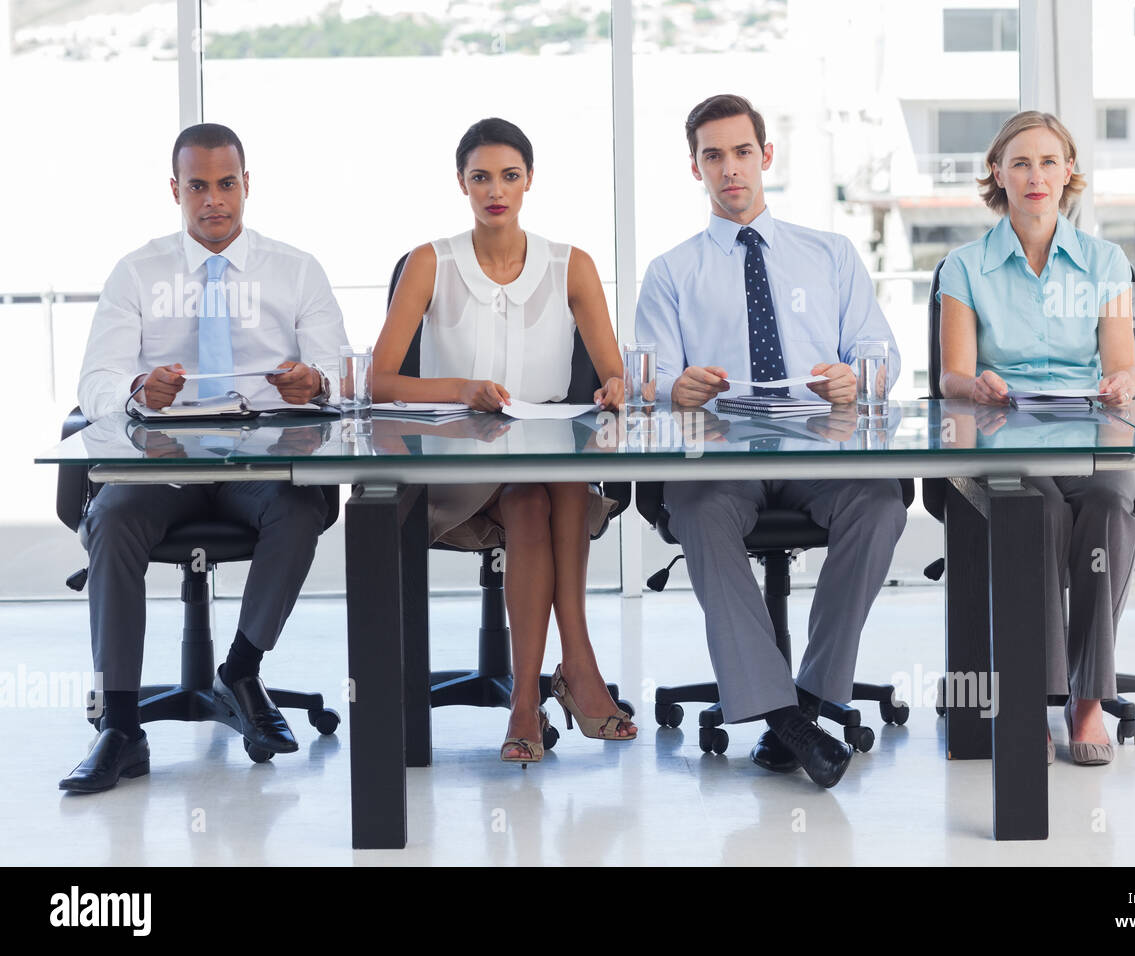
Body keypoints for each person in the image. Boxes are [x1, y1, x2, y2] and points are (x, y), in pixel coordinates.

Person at [63, 123, 348, 793]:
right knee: (112, 517)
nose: (213, 200)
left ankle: (240, 672)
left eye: (226, 184)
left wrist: (316, 382)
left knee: (299, 508)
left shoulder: (296, 269)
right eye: (198, 186)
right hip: (167, 462)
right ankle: (121, 730)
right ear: (175, 190)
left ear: (247, 185)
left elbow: (341, 371)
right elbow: (95, 383)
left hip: (261, 462)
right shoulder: (138, 272)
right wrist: (138, 388)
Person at [635, 94, 907, 789]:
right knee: (698, 509)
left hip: (819, 442)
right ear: (695, 167)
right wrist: (676, 388)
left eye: (742, 152)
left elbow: (881, 354)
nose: (730, 168)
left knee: (881, 503)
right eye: (713, 156)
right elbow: (650, 378)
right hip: (722, 448)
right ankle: (790, 721)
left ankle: (806, 697)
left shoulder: (831, 255)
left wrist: (856, 377)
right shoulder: (671, 271)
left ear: (766, 156)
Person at [372, 117, 635, 763]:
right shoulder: (430, 262)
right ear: (461, 183)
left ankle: (529, 699)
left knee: (542, 490)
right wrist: (462, 389)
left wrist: (615, 389)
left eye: (509, 176)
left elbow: (615, 375)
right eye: (481, 177)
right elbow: (379, 381)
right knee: (541, 490)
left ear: (529, 181)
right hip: (456, 465)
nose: (496, 190)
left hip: (542, 464)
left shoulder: (571, 265)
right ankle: (575, 674)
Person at [937, 109, 1135, 766]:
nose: (1035, 176)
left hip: (1090, 431)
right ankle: (1034, 697)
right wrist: (977, 386)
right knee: (1040, 512)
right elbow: (951, 377)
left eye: (1049, 162)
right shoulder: (964, 267)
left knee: (1110, 510)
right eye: (1020, 163)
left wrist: (1120, 385)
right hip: (1005, 433)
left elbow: (1123, 367)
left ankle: (1087, 699)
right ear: (997, 173)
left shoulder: (1106, 263)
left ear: (1068, 170)